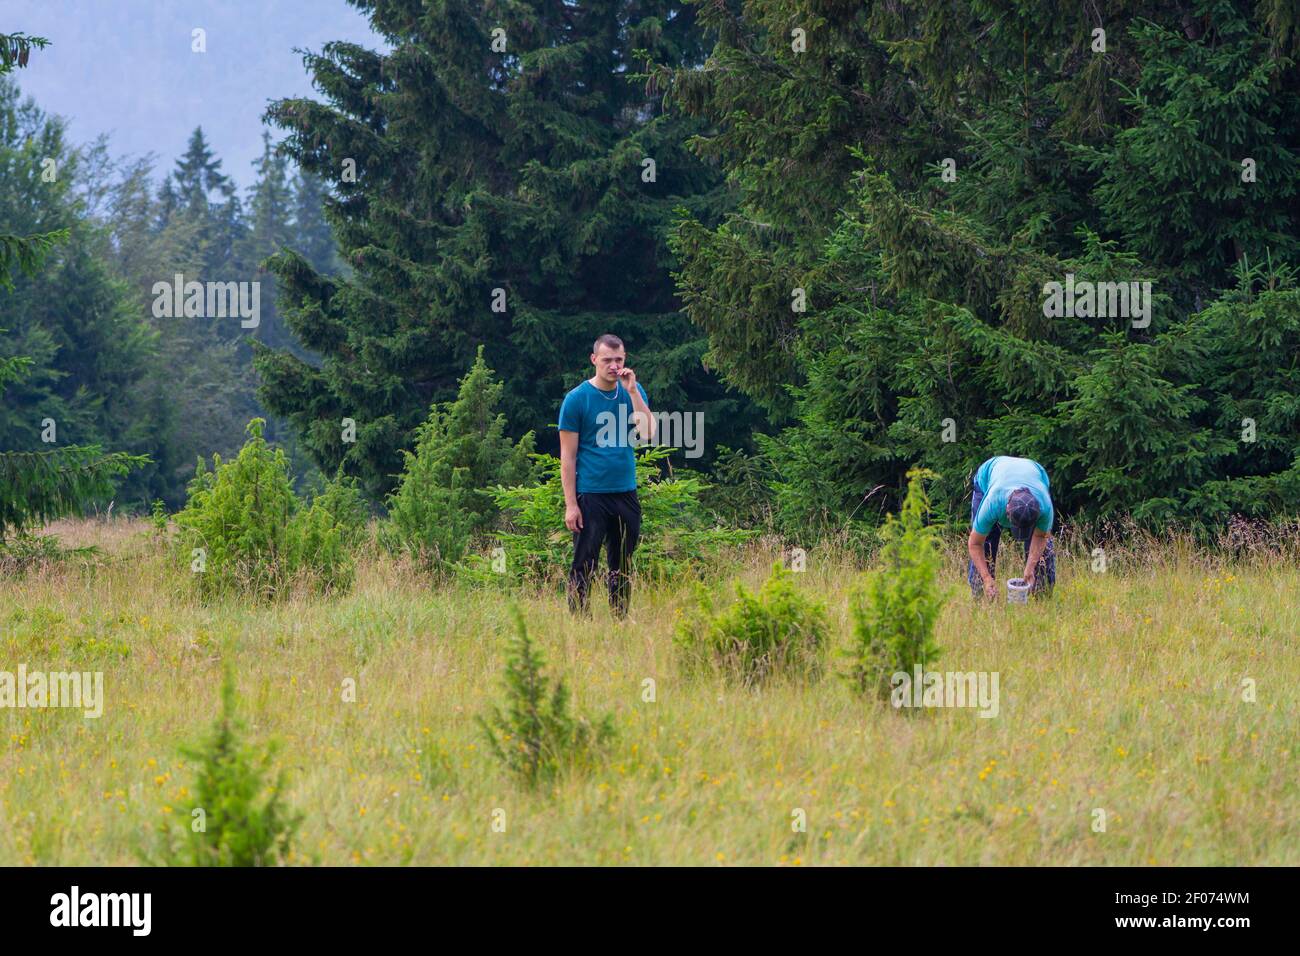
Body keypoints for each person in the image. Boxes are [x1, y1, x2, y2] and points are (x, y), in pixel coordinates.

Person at [558, 334, 654, 619]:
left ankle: (619, 621)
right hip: (591, 495)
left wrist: (634, 392)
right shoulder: (576, 400)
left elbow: (648, 433)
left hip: (625, 493)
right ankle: (579, 623)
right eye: (607, 360)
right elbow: (568, 457)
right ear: (594, 360)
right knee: (584, 563)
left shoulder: (632, 392)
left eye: (619, 360)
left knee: (621, 563)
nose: (613, 366)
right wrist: (571, 504)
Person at [967, 455, 1056, 599]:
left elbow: (1040, 536)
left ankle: (1043, 597)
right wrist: (986, 578)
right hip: (988, 476)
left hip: (1034, 472)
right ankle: (980, 598)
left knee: (1044, 552)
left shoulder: (1044, 506)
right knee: (987, 542)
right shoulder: (993, 502)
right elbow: (975, 543)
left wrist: (1030, 568)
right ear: (1007, 511)